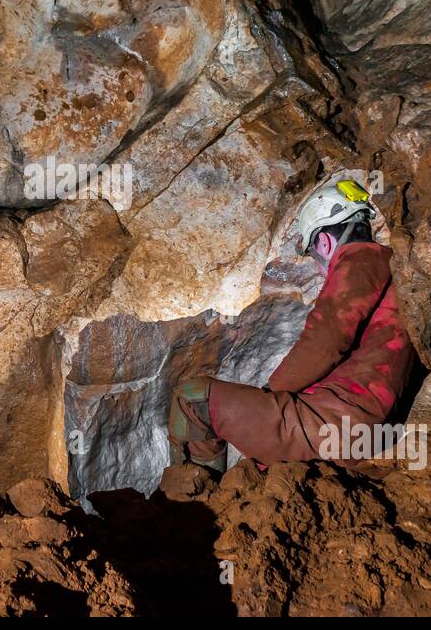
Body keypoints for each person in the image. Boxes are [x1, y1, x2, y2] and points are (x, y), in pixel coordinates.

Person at [169, 178, 417, 471]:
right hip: (363, 431)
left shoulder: (358, 262)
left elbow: (324, 343)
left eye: (314, 254)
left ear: (323, 243)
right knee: (258, 462)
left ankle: (189, 503)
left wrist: (270, 395)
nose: (318, 265)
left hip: (331, 429)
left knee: (191, 399)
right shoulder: (397, 272)